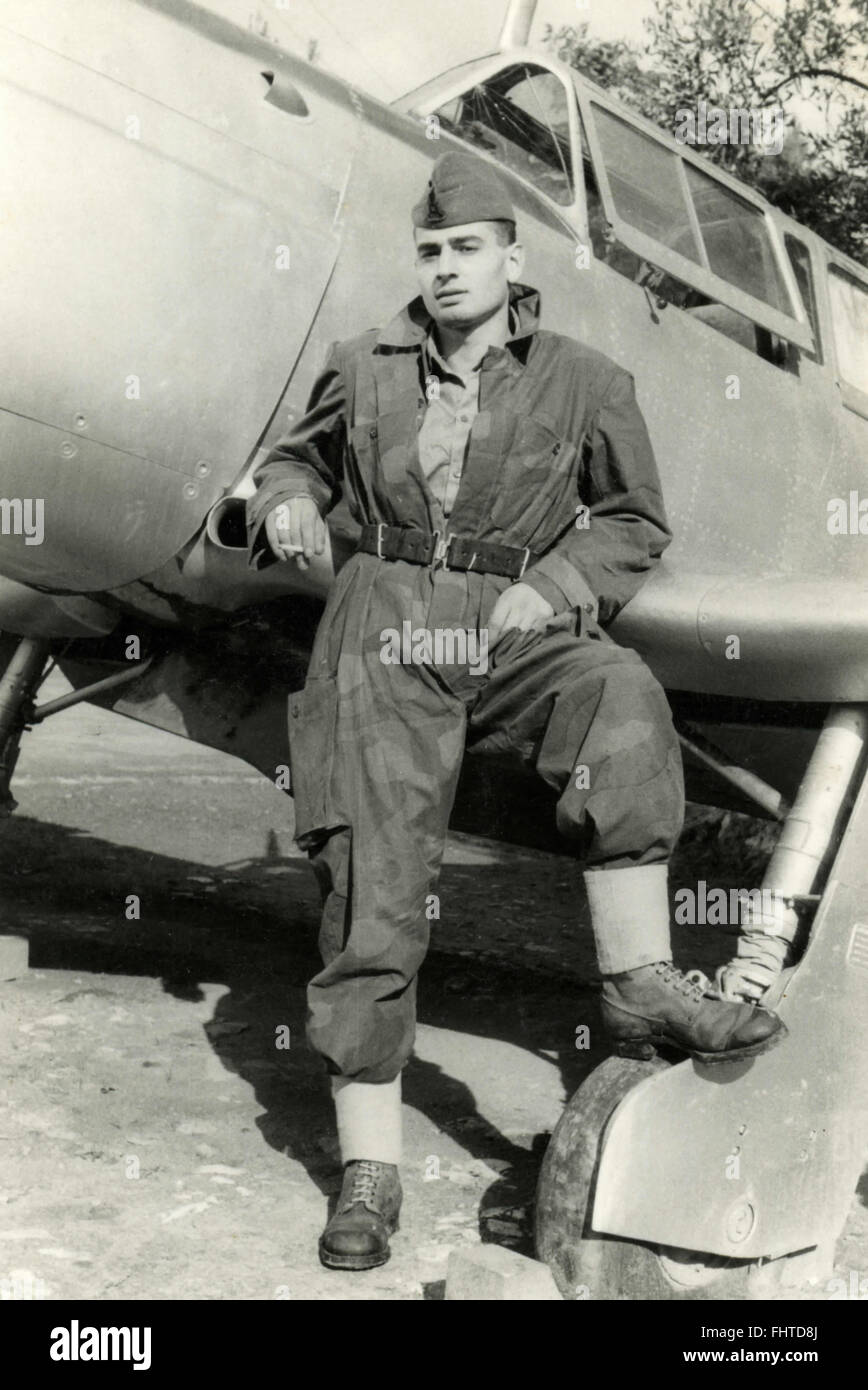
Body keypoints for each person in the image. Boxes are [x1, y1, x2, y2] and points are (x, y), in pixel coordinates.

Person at [246, 151, 784, 1272]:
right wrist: (291, 505)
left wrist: (557, 583)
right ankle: (369, 1170)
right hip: (383, 620)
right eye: (430, 252)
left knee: (618, 695)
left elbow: (633, 521)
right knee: (373, 879)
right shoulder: (364, 365)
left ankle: (638, 983)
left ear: (512, 258)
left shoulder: (585, 380)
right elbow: (288, 468)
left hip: (513, 624)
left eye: (466, 250)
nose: (445, 270)